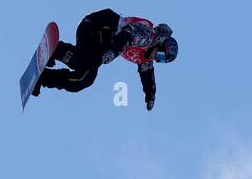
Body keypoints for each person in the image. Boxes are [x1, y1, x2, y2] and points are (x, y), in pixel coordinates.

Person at [34, 9, 177, 110]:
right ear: (160, 43)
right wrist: (113, 52)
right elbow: (125, 37)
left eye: (161, 60)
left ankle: (44, 78)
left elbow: (148, 78)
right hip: (100, 25)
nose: (156, 59)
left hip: (100, 41)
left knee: (84, 79)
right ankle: (57, 50)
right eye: (160, 55)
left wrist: (150, 96)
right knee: (91, 61)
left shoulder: (145, 59)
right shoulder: (147, 35)